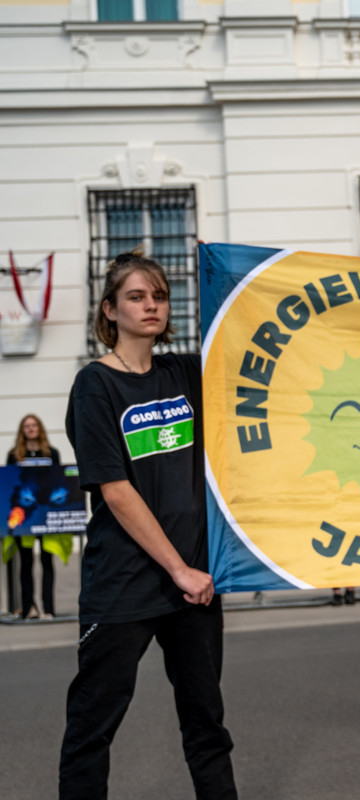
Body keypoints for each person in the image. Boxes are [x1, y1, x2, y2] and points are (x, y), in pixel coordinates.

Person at [59, 251, 237, 799]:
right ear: (110, 310)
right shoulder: (95, 386)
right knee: (92, 728)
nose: (151, 305)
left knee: (206, 724)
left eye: (158, 295)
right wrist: (178, 568)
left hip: (194, 585)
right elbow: (115, 489)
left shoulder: (183, 372)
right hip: (126, 582)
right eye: (136, 297)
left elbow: (244, 356)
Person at [5, 413, 72, 618]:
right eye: (27, 426)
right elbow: (9, 483)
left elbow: (58, 481)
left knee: (46, 561)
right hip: (24, 518)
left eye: (34, 425)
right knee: (25, 563)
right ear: (22, 430)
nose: (31, 428)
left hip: (46, 516)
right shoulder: (14, 454)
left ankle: (48, 609)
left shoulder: (51, 453)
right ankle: (28, 608)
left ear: (39, 428)